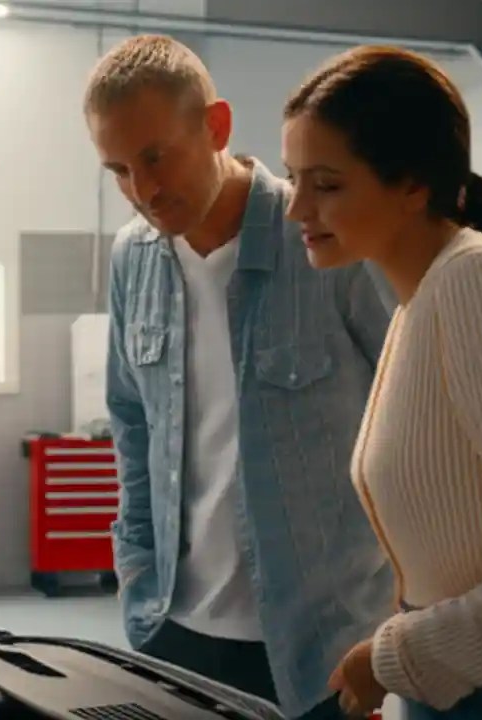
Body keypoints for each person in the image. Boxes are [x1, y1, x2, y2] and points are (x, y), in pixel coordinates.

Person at [84, 34, 395, 720]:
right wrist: (136, 578)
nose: (143, 192)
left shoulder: (326, 239)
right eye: (118, 170)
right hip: (172, 632)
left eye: (156, 158)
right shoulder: (132, 257)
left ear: (216, 126)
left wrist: (400, 614)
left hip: (322, 646)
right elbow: (132, 429)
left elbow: (420, 422)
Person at [282, 45, 482, 719]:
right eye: (293, 179)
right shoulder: (423, 300)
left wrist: (395, 658)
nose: (295, 209)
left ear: (413, 184)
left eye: (327, 184)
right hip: (471, 687)